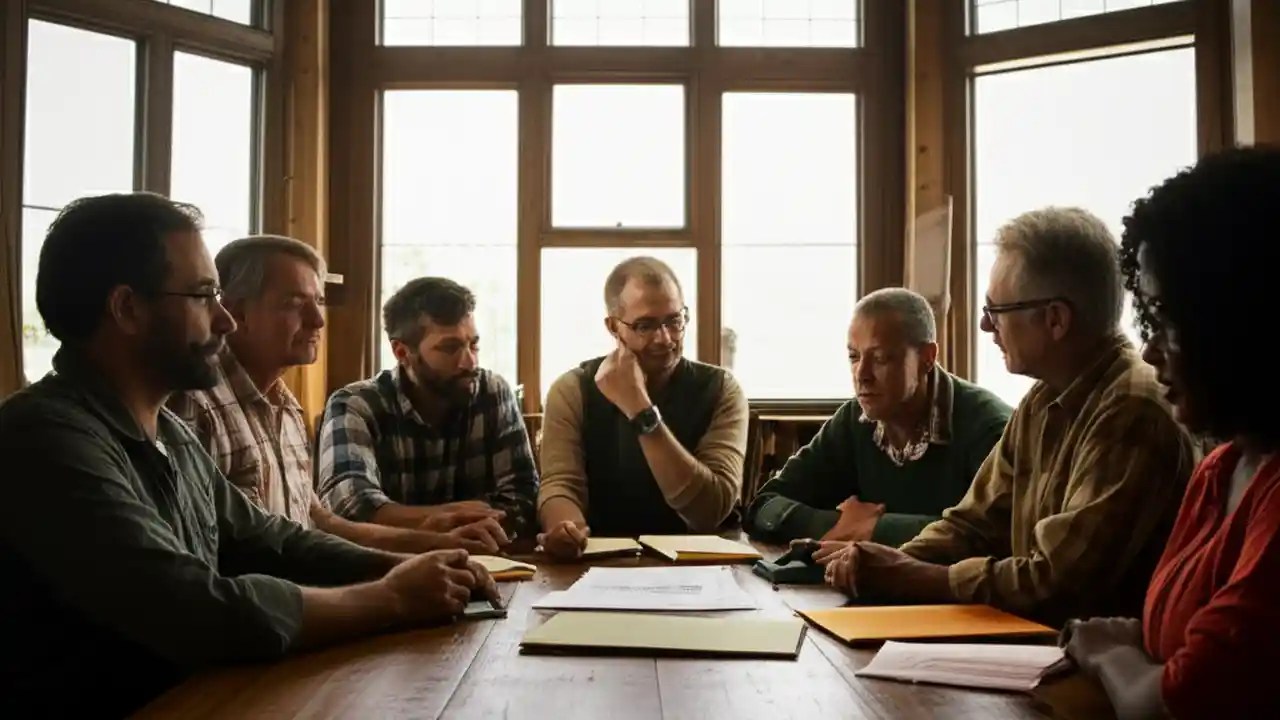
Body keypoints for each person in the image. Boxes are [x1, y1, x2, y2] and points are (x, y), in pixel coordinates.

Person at [0, 194, 496, 717]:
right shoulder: (44, 438)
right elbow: (191, 607)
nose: (225, 321)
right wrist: (391, 597)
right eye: (203, 295)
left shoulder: (166, 428)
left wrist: (413, 567)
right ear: (127, 308)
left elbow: (271, 541)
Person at [824, 207, 1197, 627]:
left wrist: (917, 577)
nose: (985, 326)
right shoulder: (1043, 399)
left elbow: (1056, 583)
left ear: (1055, 319)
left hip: (1095, 673)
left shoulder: (1132, 411)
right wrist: (886, 564)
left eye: (995, 310)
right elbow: (973, 525)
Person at [1062, 146, 1280, 720]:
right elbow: (1167, 645)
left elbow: (1173, 701)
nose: (1150, 349)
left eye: (1165, 318)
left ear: (1235, 317)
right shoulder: (1223, 468)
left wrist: (1111, 655)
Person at [169, 235, 506, 554]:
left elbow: (320, 523)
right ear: (236, 312)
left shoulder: (285, 406)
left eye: (318, 301)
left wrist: (434, 542)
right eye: (294, 303)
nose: (317, 320)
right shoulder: (194, 405)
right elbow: (200, 567)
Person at [746, 288, 1011, 548]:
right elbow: (764, 506)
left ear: (927, 358)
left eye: (881, 358)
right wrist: (838, 525)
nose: (862, 374)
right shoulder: (854, 419)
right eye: (854, 356)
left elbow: (1002, 537)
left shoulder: (990, 429)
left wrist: (876, 528)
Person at [537, 256, 749, 558]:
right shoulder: (571, 390)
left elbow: (709, 511)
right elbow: (561, 484)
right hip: (604, 559)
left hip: (704, 563)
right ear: (614, 326)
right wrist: (565, 528)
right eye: (645, 325)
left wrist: (640, 409)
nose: (665, 339)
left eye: (674, 321)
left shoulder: (722, 390)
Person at [316, 277, 537, 542]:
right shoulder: (355, 405)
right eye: (450, 348)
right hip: (385, 569)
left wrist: (425, 521)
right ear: (402, 352)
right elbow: (349, 505)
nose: (469, 362)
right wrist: (445, 520)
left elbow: (523, 494)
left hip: (489, 560)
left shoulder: (492, 392)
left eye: (473, 344)